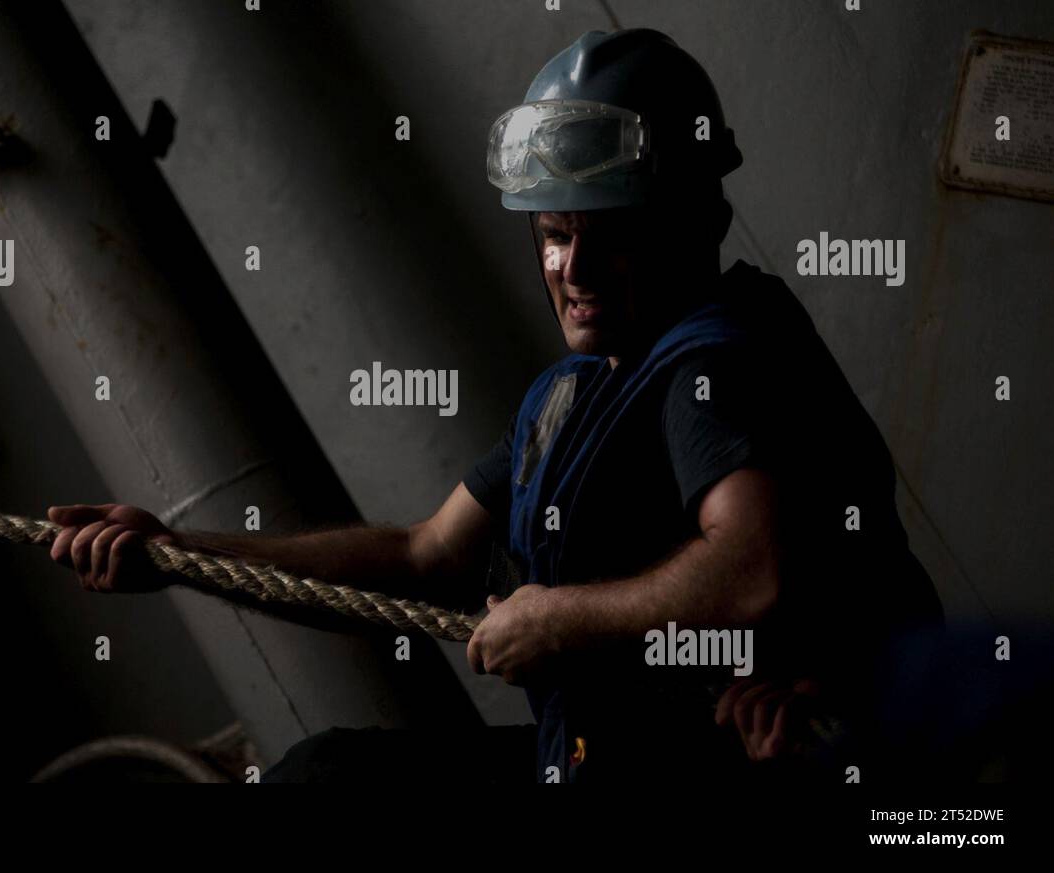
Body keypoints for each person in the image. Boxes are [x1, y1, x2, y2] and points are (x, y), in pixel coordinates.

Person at [49, 28, 941, 784]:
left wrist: (558, 617)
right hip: (583, 758)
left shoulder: (716, 364)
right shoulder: (576, 393)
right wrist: (180, 554)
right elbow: (425, 554)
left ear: (693, 221)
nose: (573, 270)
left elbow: (751, 568)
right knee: (329, 774)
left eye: (609, 237)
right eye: (554, 235)